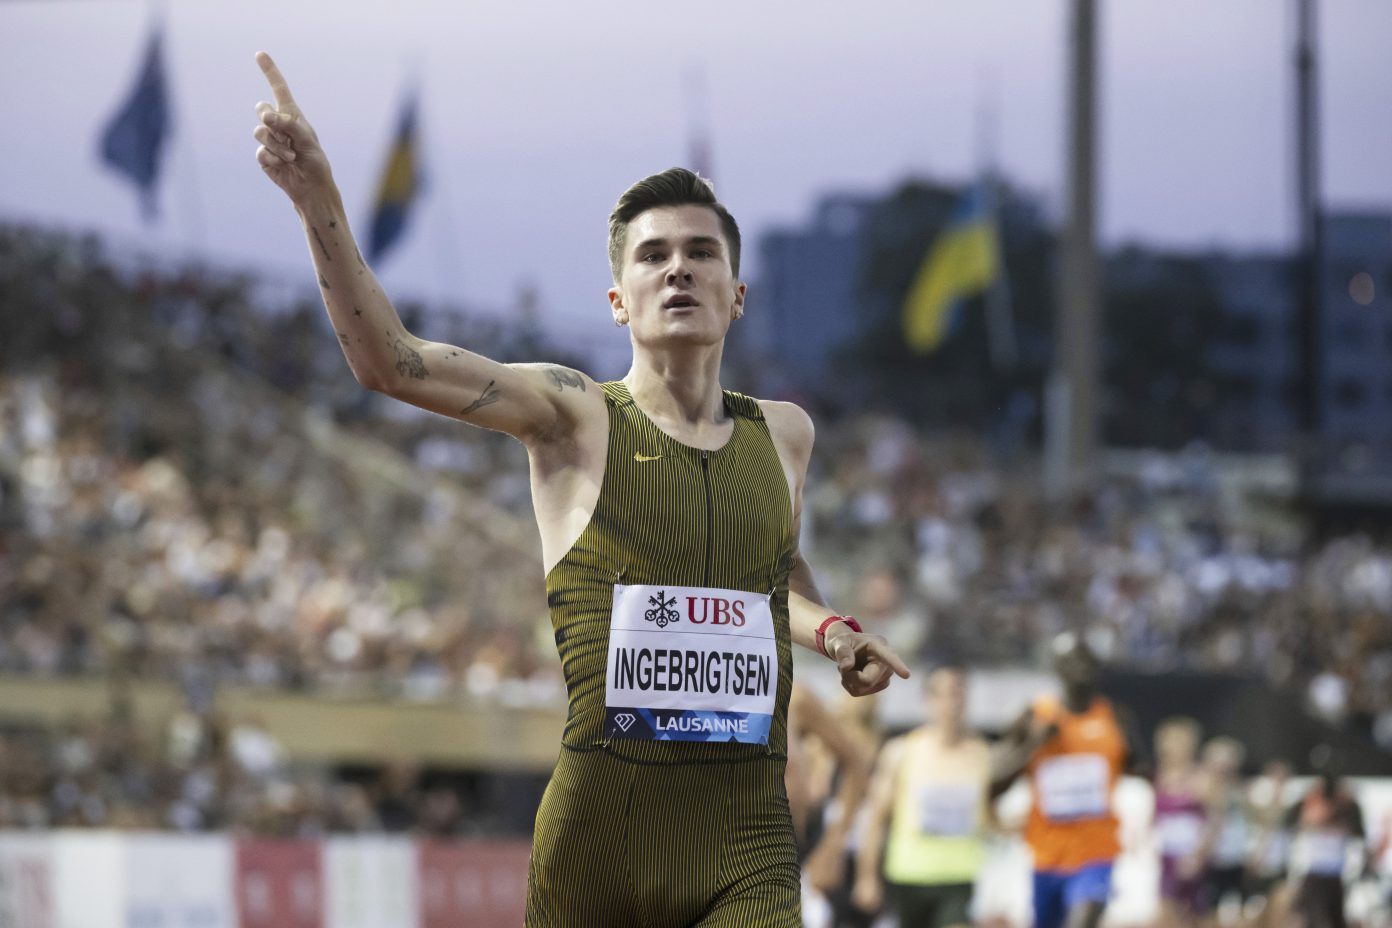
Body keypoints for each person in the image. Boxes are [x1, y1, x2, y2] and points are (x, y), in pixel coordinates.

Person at [251, 52, 910, 928]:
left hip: (746, 837)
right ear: (616, 299)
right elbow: (390, 362)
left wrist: (835, 633)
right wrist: (319, 203)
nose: (679, 269)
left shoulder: (785, 433)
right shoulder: (571, 415)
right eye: (655, 256)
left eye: (701, 253)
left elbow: (772, 575)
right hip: (601, 839)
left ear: (738, 293)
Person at [989, 633, 1142, 928]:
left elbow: (1144, 770)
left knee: (1082, 921)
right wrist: (1031, 747)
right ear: (1057, 668)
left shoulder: (1115, 718)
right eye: (1071, 661)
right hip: (1047, 857)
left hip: (1096, 854)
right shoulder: (1035, 716)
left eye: (1087, 661)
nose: (1080, 669)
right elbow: (993, 783)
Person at [853, 662, 992, 928]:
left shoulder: (980, 754)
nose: (954, 702)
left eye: (960, 693)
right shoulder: (901, 752)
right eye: (946, 693)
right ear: (929, 700)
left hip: (959, 876)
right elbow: (874, 819)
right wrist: (866, 876)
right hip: (909, 875)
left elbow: (987, 815)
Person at [1287, 747, 1365, 928]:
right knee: (1309, 916)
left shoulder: (1348, 803)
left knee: (1336, 916)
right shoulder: (1309, 800)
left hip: (1338, 871)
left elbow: (1358, 835)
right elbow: (1292, 827)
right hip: (1312, 868)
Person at [1151, 717, 1208, 928]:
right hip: (1165, 855)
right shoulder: (1159, 776)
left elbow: (1214, 822)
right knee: (1165, 912)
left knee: (1193, 915)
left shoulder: (1200, 777)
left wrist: (1199, 855)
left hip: (1191, 854)